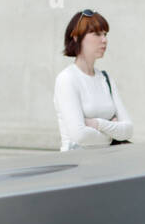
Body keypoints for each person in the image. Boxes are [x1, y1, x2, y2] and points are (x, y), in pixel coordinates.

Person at [54, 9, 134, 150]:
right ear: (76, 38)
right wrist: (113, 132)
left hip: (107, 165)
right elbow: (80, 135)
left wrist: (97, 124)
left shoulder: (105, 78)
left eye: (105, 34)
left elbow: (128, 129)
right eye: (97, 34)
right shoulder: (67, 79)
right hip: (78, 167)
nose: (104, 40)